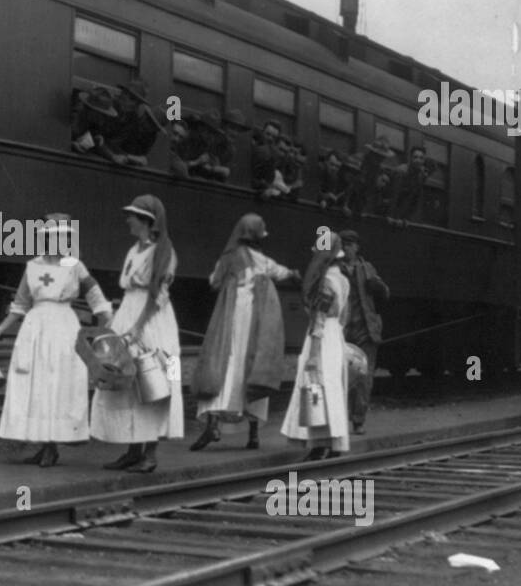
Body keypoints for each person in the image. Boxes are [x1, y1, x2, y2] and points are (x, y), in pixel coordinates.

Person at [0, 214, 113, 467]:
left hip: (64, 328)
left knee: (59, 384)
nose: (56, 240)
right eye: (50, 235)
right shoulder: (33, 266)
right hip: (35, 329)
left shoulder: (75, 266)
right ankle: (44, 443)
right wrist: (0, 330)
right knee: (37, 384)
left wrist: (105, 326)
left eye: (62, 235)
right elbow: (20, 304)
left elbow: (97, 299)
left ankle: (52, 445)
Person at [191, 213, 299, 451]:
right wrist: (293, 273)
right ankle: (253, 434)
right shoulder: (263, 261)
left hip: (231, 318)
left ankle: (213, 423)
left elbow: (213, 281)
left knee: (222, 363)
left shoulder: (230, 257)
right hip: (257, 321)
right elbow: (282, 272)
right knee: (253, 367)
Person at [92, 195, 184, 472]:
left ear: (147, 221)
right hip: (129, 312)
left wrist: (138, 328)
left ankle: (151, 453)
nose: (128, 219)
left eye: (132, 215)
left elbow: (158, 296)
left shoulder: (164, 252)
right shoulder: (133, 250)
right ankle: (133, 449)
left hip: (152, 319)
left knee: (155, 380)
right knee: (127, 382)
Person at [280, 231, 351, 459]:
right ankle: (333, 441)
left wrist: (313, 353)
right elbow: (344, 317)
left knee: (314, 385)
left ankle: (319, 443)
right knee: (331, 389)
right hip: (336, 336)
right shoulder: (343, 280)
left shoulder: (325, 282)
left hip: (321, 338)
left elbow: (319, 320)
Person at [338, 229, 390, 434]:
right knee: (341, 376)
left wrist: (377, 287)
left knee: (364, 377)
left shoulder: (367, 268)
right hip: (343, 330)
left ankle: (358, 420)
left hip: (366, 330)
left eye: (350, 244)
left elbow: (385, 294)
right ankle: (341, 419)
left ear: (357, 247)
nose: (346, 248)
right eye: (343, 245)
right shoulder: (335, 269)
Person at [111, 79, 159, 165]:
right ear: (123, 94)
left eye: (138, 103)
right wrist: (130, 157)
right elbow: (105, 141)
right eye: (132, 99)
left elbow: (118, 143)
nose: (134, 105)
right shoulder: (107, 106)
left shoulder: (132, 119)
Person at [389, 146, 433, 226]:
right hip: (389, 214)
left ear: (424, 160)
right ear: (410, 158)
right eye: (415, 157)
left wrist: (406, 218)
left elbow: (414, 199)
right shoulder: (401, 171)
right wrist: (393, 216)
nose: (418, 160)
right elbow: (394, 195)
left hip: (401, 218)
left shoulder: (420, 176)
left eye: (421, 158)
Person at [318, 150, 352, 214]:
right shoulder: (319, 173)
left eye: (337, 166)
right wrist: (326, 196)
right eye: (331, 164)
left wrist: (344, 206)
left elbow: (342, 196)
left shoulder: (340, 179)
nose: (334, 168)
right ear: (326, 162)